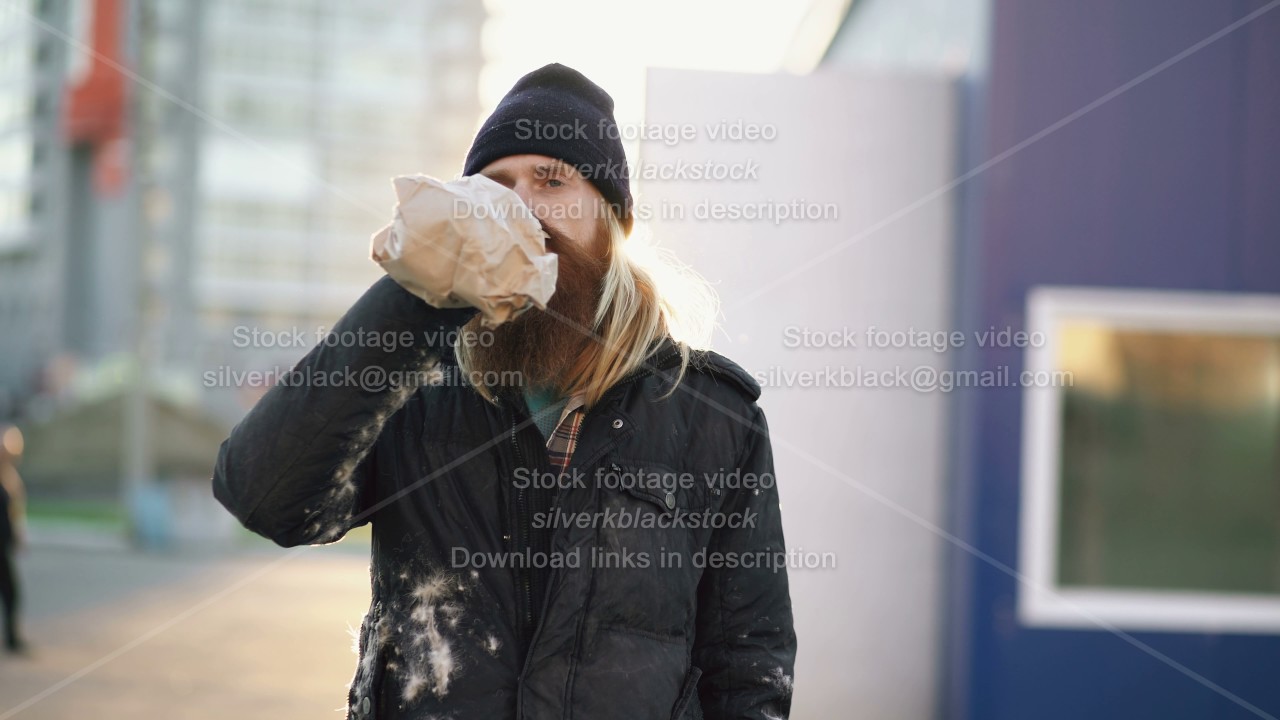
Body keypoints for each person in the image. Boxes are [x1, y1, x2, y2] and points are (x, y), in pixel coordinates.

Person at [213, 63, 796, 720]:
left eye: (552, 181)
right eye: (496, 188)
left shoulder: (713, 416)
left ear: (616, 219)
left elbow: (749, 658)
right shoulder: (418, 384)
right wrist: (416, 298)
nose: (521, 206)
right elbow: (265, 497)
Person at [0, 423, 28, 655]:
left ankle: (12, 637)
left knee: (11, 593)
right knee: (10, 592)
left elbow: (15, 511)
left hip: (3, 545)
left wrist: (19, 536)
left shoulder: (10, 477)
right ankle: (11, 638)